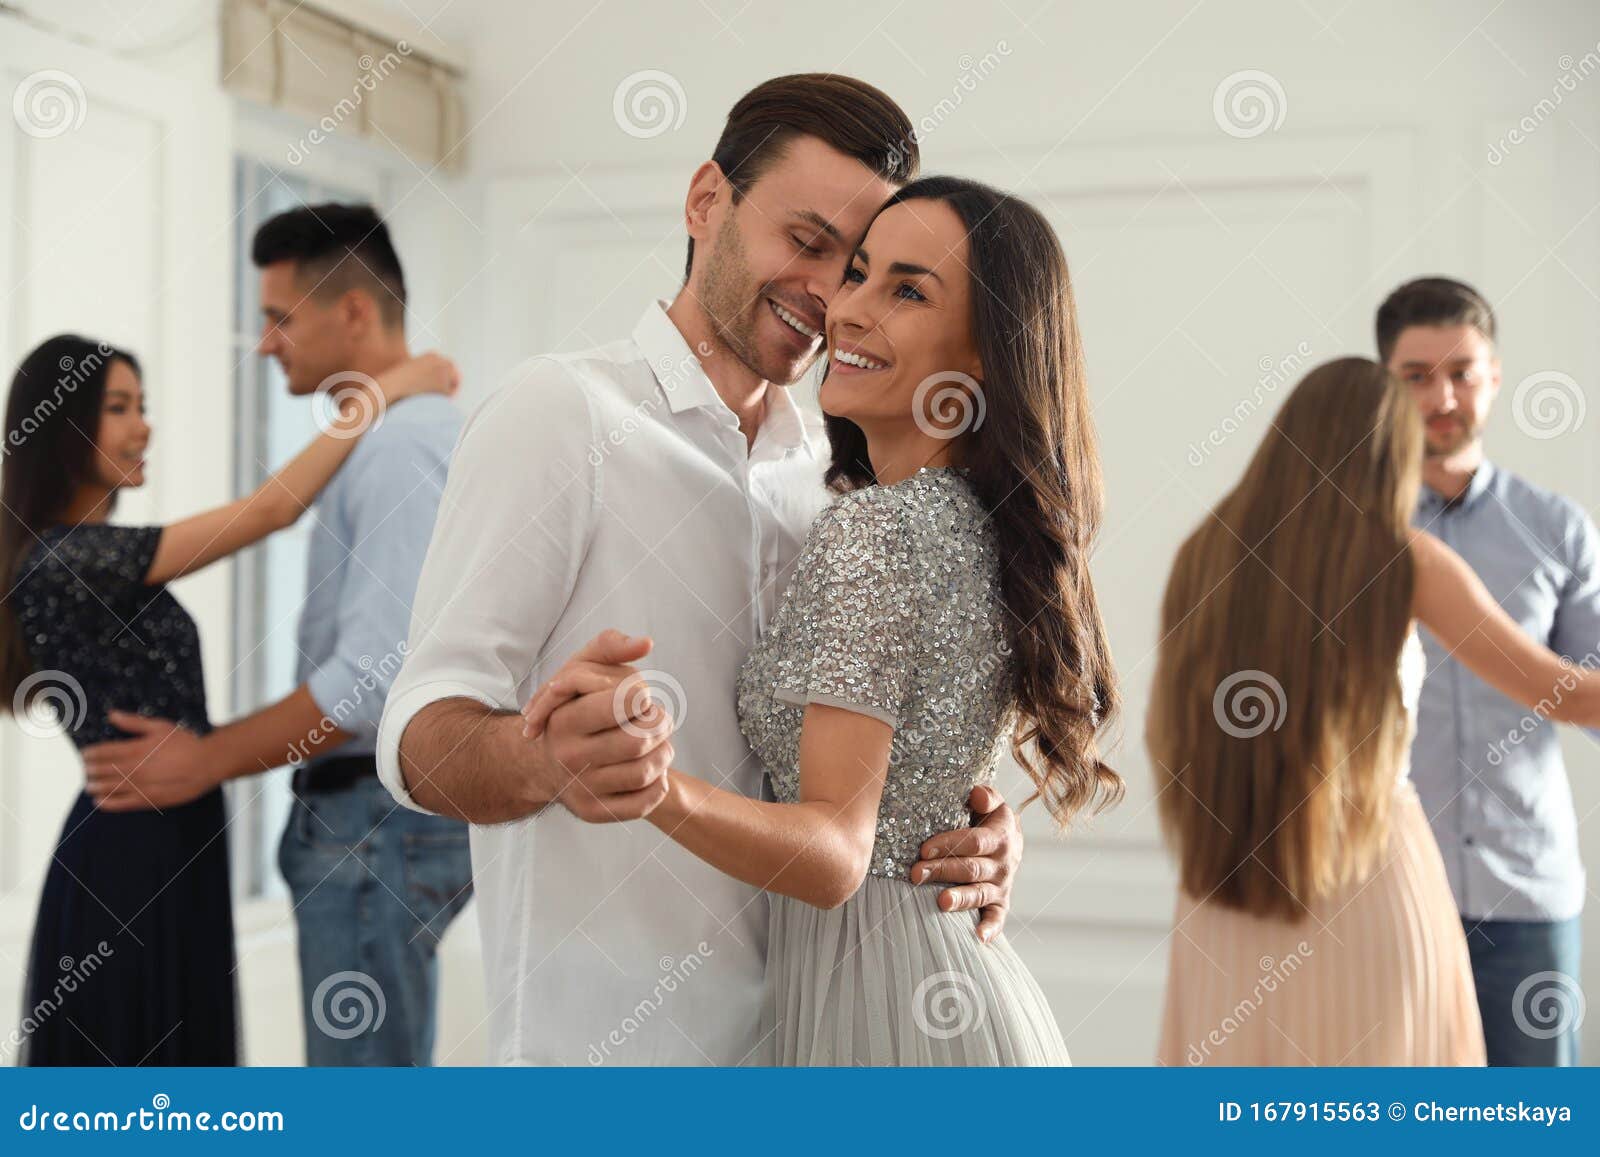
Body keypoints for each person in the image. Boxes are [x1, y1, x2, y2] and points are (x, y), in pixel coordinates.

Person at [375, 75, 1027, 1066]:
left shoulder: (841, 472)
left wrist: (969, 826)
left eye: (853, 265)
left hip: (811, 1044)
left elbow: (851, 774)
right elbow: (420, 733)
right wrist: (545, 759)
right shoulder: (560, 414)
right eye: (804, 242)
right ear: (705, 201)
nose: (825, 291)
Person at [524, 176, 1118, 1064]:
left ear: (988, 351)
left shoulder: (878, 528)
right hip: (940, 998)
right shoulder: (970, 520)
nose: (850, 310)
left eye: (908, 290)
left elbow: (839, 850)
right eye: (860, 273)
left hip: (886, 1013)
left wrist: (647, 779)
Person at [78, 205, 474, 1066]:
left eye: (278, 319)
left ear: (355, 314)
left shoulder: (400, 447)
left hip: (372, 826)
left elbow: (368, 683)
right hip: (373, 825)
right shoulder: (387, 434)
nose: (265, 345)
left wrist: (207, 757)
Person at [0, 333, 452, 1065]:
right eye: (119, 407)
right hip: (127, 855)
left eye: (142, 405)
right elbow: (271, 510)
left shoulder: (87, 554)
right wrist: (387, 390)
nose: (143, 425)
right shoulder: (62, 560)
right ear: (63, 425)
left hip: (166, 838)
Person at [1150, 356, 1600, 1066]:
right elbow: (1565, 692)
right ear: (1393, 453)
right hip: (1369, 877)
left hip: (1226, 887)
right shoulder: (1402, 558)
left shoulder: (1202, 555)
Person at [1380, 277, 1591, 1066]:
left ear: (1495, 375)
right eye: (1416, 375)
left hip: (1527, 893)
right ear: (1384, 386)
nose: (1443, 395)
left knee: (1531, 1124)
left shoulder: (1557, 528)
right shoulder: (1349, 537)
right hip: (1389, 890)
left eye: (1463, 370)